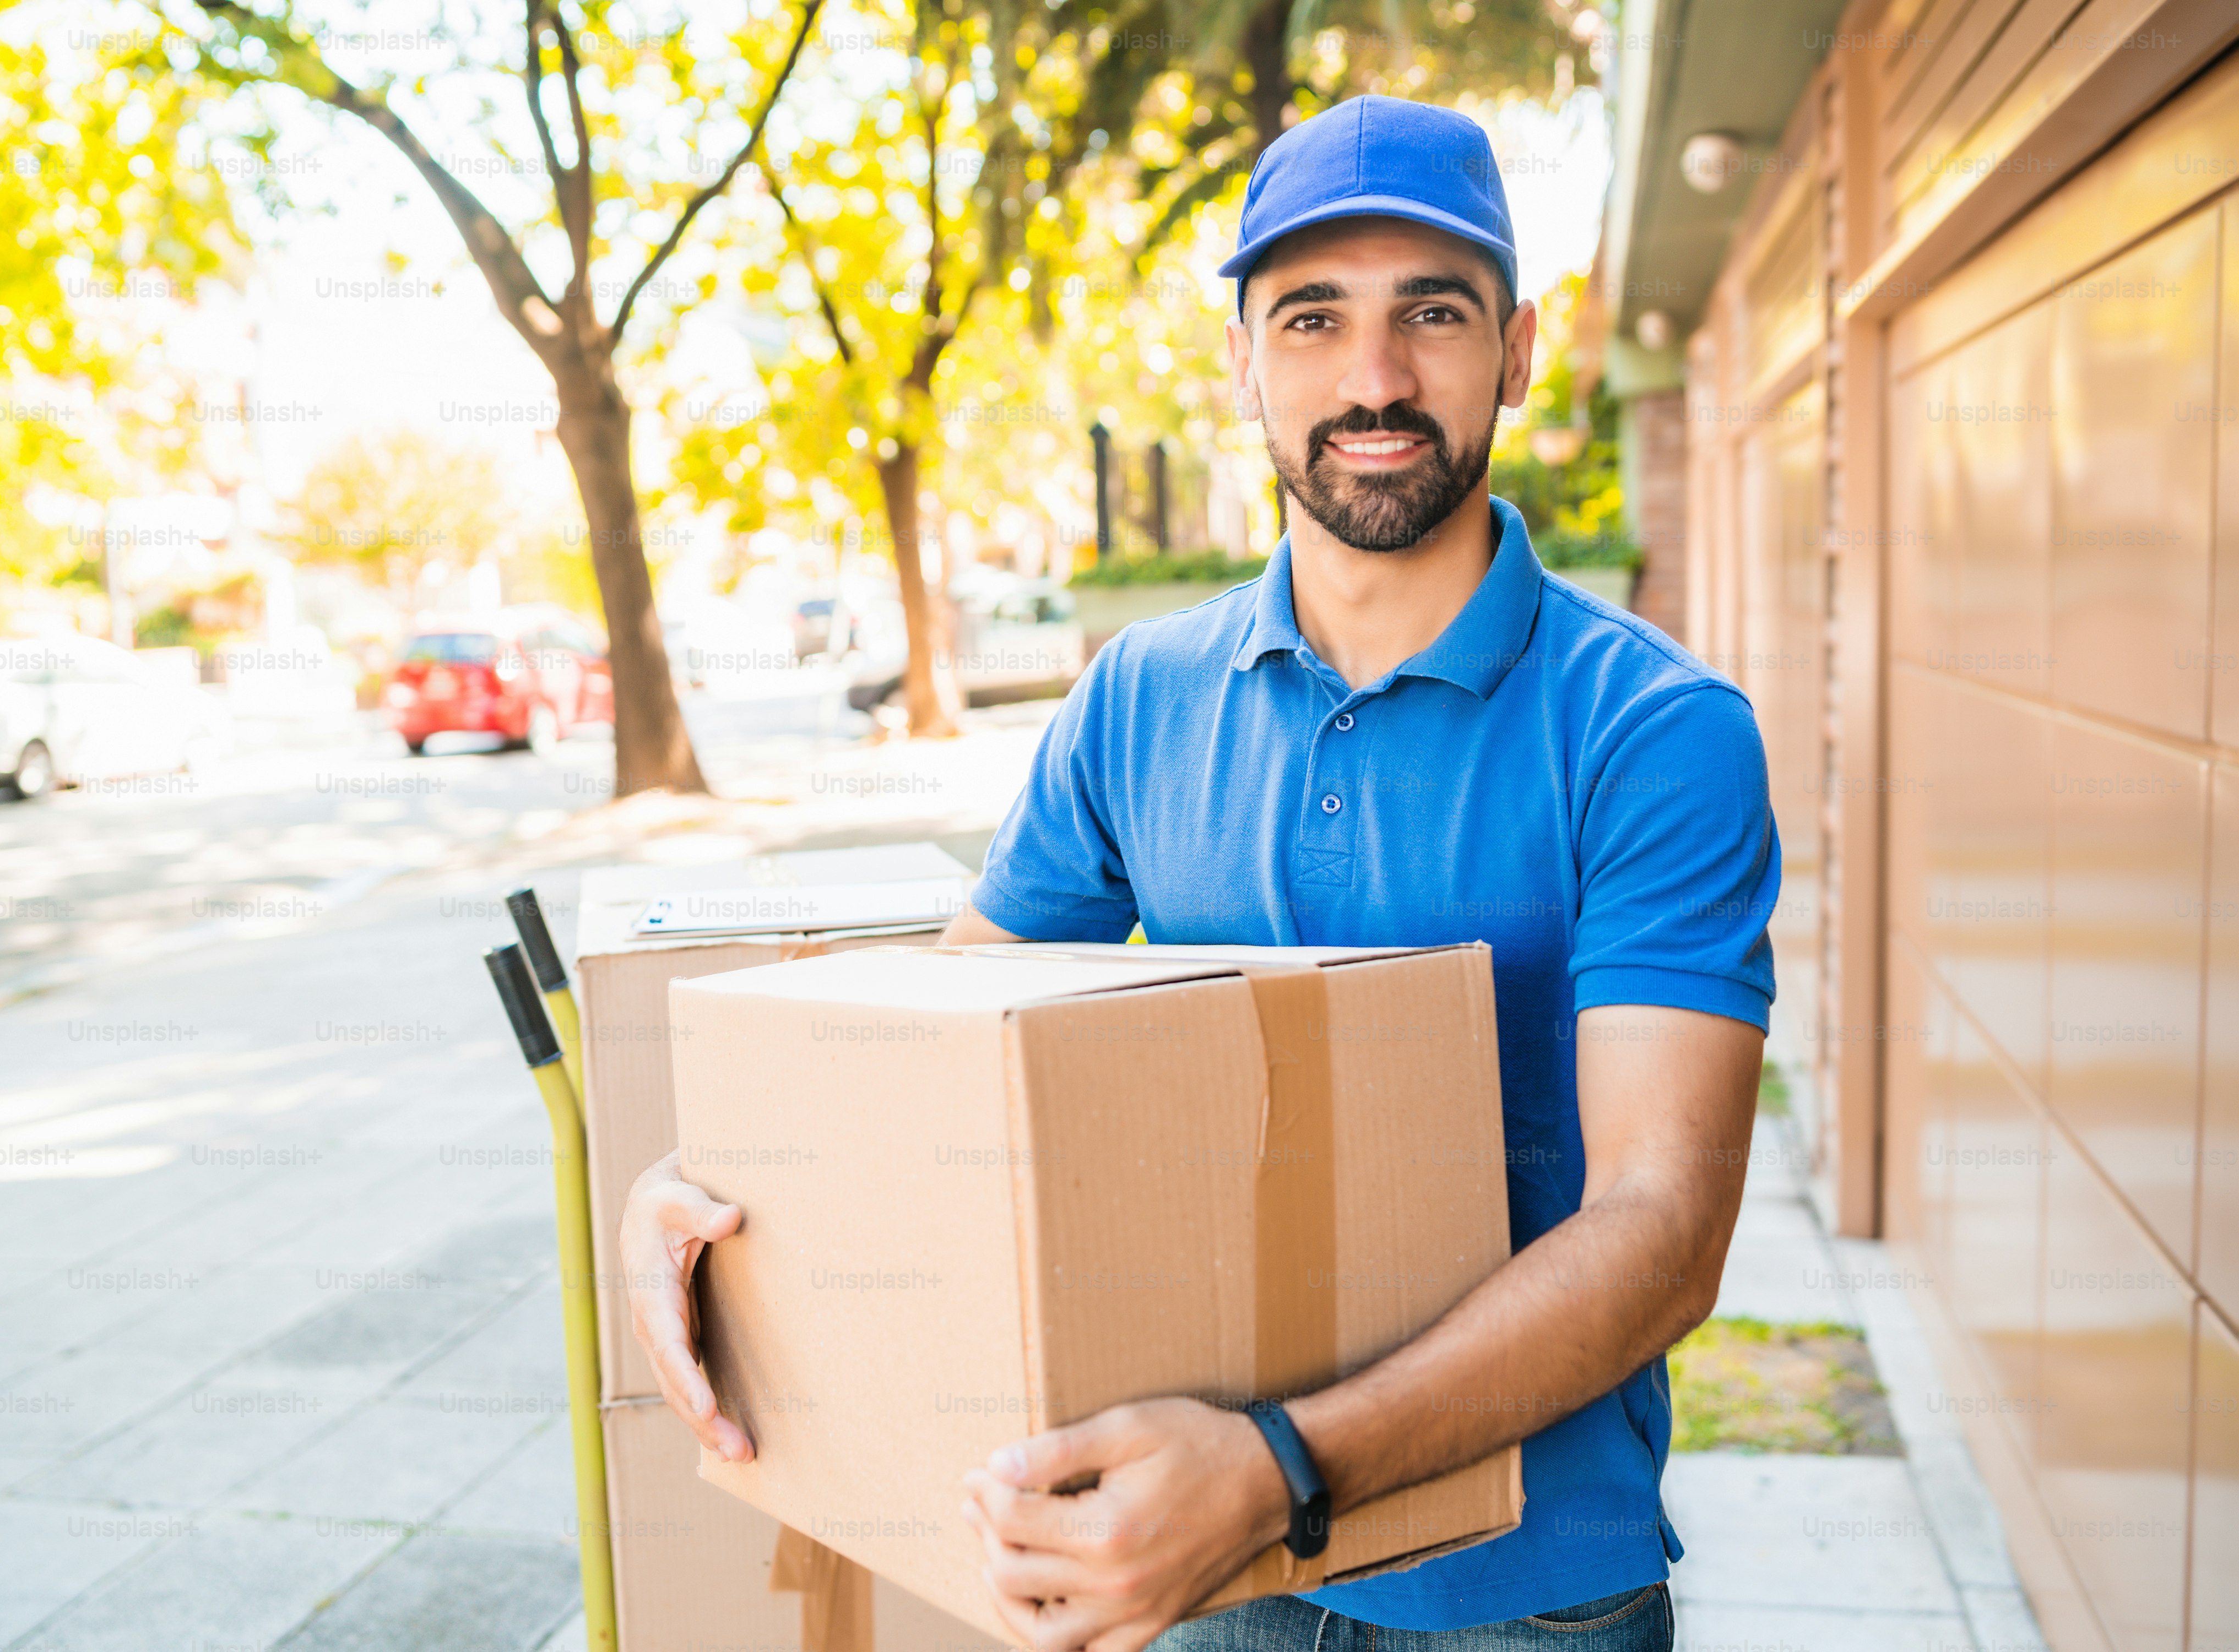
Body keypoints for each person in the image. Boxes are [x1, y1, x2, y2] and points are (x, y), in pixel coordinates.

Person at [621, 94, 1778, 1652]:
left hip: (1524, 1592)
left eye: (1429, 314)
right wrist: (700, 1180)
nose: (1372, 380)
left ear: (1513, 350)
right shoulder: (1137, 698)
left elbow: (1661, 1229)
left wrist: (1280, 1466)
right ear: (1241, 361)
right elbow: (930, 1043)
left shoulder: (1653, 732)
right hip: (1194, 1566)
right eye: (1311, 320)